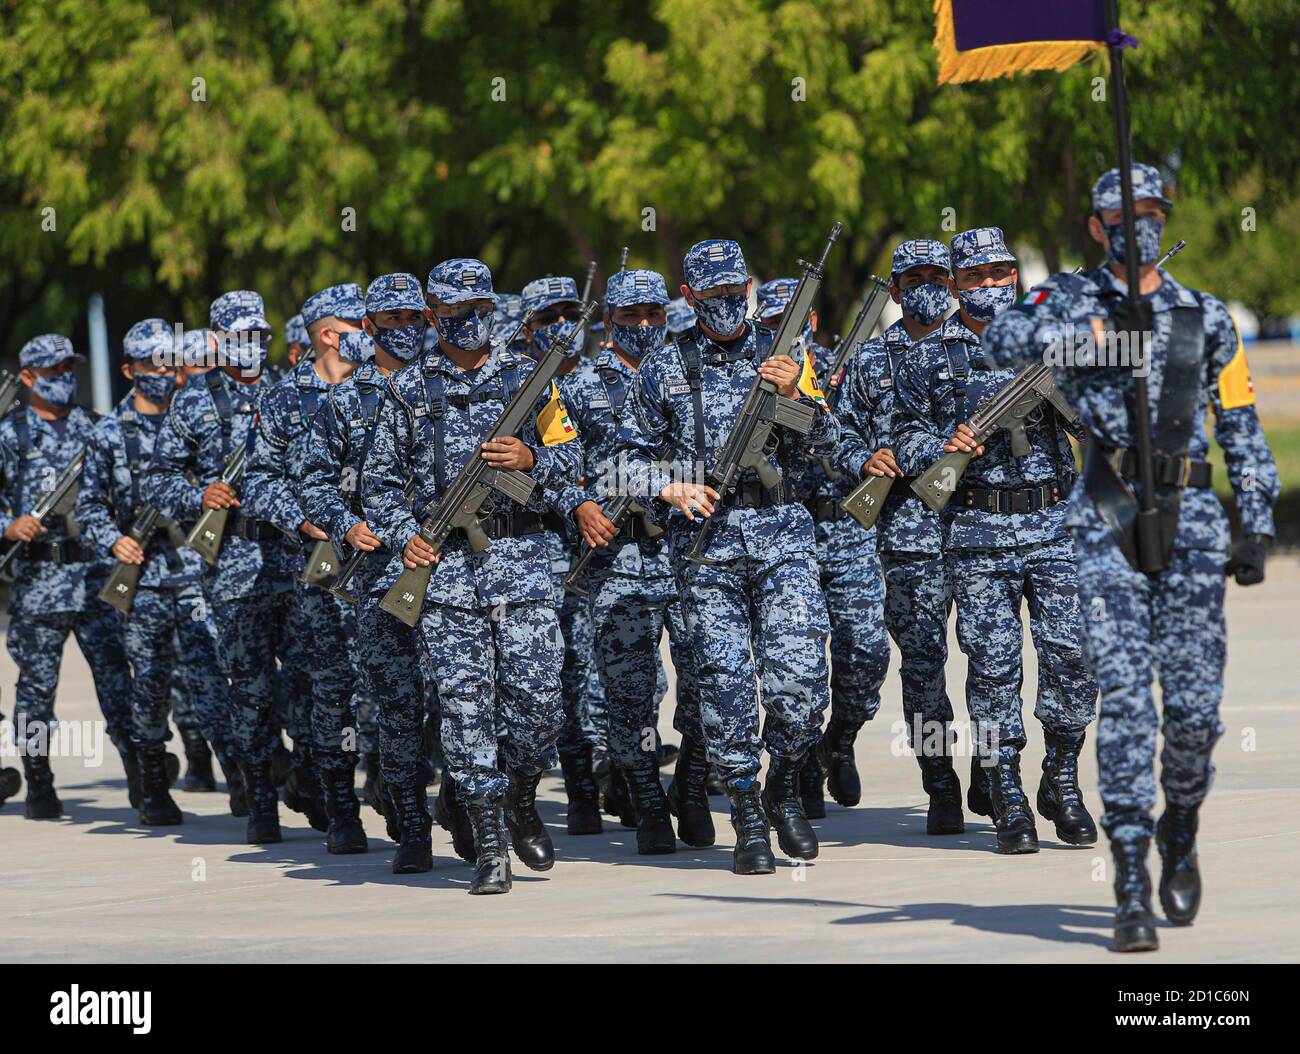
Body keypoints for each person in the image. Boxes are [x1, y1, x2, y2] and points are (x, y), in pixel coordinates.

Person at [983, 163, 1279, 952]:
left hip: (1188, 528)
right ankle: (1127, 879)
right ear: (1097, 226)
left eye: (1150, 213)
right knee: (1126, 706)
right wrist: (1085, 334)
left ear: (1163, 217)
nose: (1136, 225)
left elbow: (1241, 424)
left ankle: (1180, 822)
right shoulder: (1069, 303)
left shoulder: (1205, 316)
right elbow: (999, 339)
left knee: (1190, 715)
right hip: (1107, 522)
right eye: (1121, 215)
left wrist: (1254, 523)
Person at [362, 258, 584, 894]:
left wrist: (532, 457)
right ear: (436, 315)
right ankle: (489, 838)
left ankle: (516, 797)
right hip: (448, 577)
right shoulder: (407, 391)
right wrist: (406, 534)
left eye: (480, 309)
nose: (469, 321)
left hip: (522, 569)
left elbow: (572, 462)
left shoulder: (530, 381)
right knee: (465, 711)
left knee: (539, 703)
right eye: (456, 312)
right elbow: (378, 485)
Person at [621, 238, 837, 874]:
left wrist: (797, 394)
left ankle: (784, 787)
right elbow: (620, 462)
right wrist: (670, 485)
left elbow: (831, 443)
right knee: (725, 691)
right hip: (707, 552)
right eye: (711, 295)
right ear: (688, 298)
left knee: (800, 688)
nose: (725, 304)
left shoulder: (786, 355)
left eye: (734, 292)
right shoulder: (664, 369)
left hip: (782, 540)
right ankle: (745, 814)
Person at [893, 228, 1098, 856]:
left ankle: (1059, 775)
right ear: (955, 283)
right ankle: (1005, 787)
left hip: (1054, 524)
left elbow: (1100, 420)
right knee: (992, 667)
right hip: (978, 532)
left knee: (1073, 656)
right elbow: (903, 435)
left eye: (999, 273)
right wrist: (943, 447)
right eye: (976, 276)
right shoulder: (930, 356)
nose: (990, 285)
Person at [553, 266, 711, 854]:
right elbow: (551, 464)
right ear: (608, 322)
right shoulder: (577, 387)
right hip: (617, 560)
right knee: (629, 692)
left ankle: (692, 790)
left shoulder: (686, 374)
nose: (643, 326)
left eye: (653, 315)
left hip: (688, 550)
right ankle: (646, 801)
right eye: (630, 317)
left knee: (705, 680)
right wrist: (579, 502)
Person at [300, 271, 453, 873]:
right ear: (370, 327)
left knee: (463, 698)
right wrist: (345, 525)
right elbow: (312, 480)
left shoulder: (447, 387)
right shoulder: (345, 400)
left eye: (415, 319)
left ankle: (468, 806)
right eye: (393, 321)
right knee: (397, 703)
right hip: (383, 575)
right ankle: (410, 821)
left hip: (456, 571)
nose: (407, 331)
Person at [146, 291, 300, 845]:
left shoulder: (292, 389)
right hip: (234, 564)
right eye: (238, 337)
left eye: (259, 336)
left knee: (314, 679)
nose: (250, 346)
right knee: (251, 688)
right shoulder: (193, 402)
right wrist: (198, 494)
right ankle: (260, 799)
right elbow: (158, 480)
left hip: (296, 558)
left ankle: (320, 788)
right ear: (216, 339)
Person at [75, 318, 239, 824]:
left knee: (212, 680)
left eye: (169, 362)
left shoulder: (195, 420)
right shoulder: (108, 434)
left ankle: (244, 781)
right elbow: (88, 509)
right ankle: (152, 788)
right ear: (129, 370)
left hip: (192, 570)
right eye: (151, 364)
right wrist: (115, 540)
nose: (163, 373)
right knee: (147, 688)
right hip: (142, 581)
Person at [834, 239, 963, 832]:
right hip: (907, 533)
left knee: (994, 661)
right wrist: (866, 457)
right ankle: (939, 782)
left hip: (981, 527)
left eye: (939, 275)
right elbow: (832, 436)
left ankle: (993, 768)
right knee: (924, 665)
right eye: (915, 278)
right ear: (894, 289)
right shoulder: (867, 362)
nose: (928, 286)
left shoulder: (979, 350)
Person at [755, 277, 890, 821]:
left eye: (790, 321)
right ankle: (801, 762)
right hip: (791, 530)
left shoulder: (843, 369)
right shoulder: (749, 381)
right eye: (769, 324)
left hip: (850, 529)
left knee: (866, 653)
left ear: (809, 323)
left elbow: (869, 432)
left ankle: (841, 737)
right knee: (799, 660)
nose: (780, 333)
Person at [244, 283, 367, 853]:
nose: (373, 330)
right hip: (321, 564)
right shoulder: (284, 397)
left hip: (389, 556)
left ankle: (400, 795)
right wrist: (304, 519)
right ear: (327, 333)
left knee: (399, 684)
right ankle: (340, 807)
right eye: (359, 322)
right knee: (331, 686)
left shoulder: (385, 385)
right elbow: (260, 480)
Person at [0, 334, 136, 820]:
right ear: (29, 377)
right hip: (39, 582)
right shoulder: (9, 435)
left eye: (67, 368)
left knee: (118, 684)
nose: (63, 378)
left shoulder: (97, 429)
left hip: (98, 578)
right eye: (51, 371)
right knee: (36, 691)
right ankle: (39, 782)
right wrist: (8, 525)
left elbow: (128, 492)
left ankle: (144, 781)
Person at [521, 275, 609, 834]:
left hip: (605, 543)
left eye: (568, 315)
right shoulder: (522, 388)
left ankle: (611, 777)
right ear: (527, 327)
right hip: (545, 548)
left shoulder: (603, 381)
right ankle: (574, 789)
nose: (560, 327)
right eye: (547, 318)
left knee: (606, 670)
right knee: (558, 672)